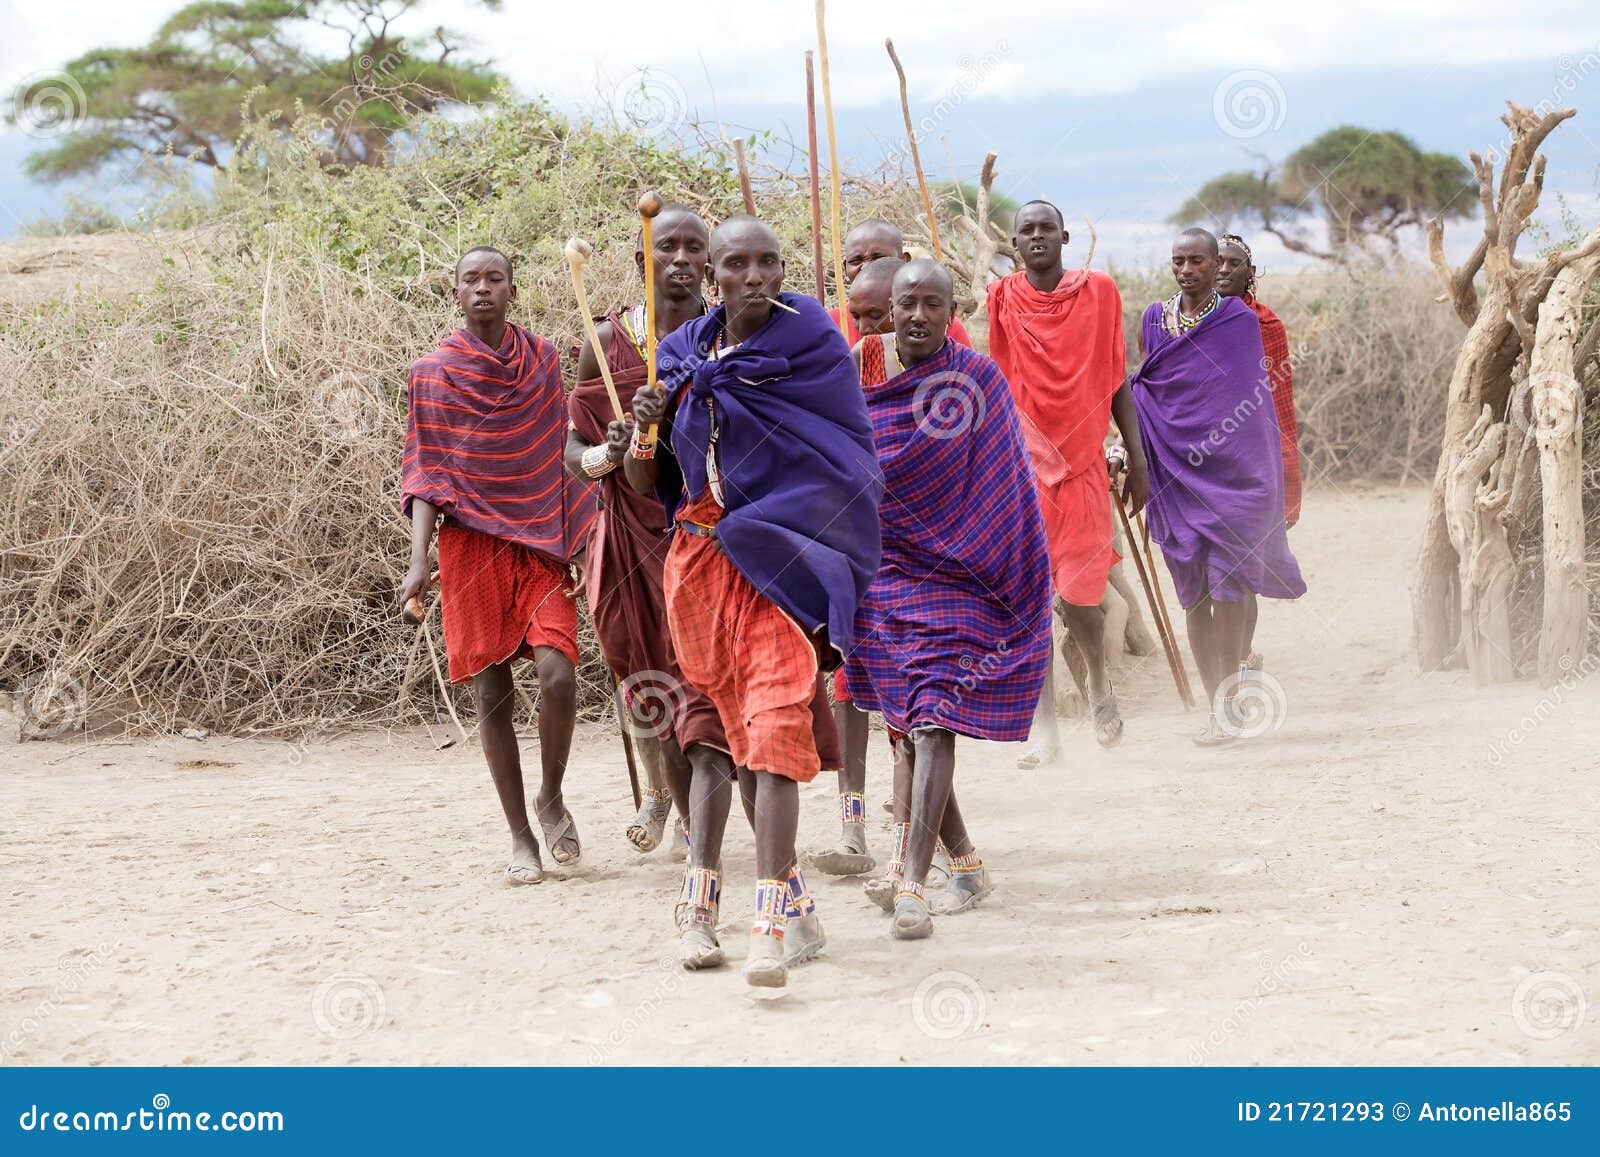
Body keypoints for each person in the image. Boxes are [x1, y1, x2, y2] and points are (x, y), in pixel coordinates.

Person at [625, 215, 883, 987]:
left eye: (769, 262)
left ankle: (765, 922)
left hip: (784, 564)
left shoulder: (811, 343)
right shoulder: (680, 353)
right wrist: (644, 426)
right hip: (700, 567)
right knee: (729, 735)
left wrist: (790, 528)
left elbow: (846, 462)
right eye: (738, 263)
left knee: (772, 729)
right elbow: (650, 483)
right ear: (713, 277)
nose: (756, 276)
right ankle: (791, 905)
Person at [846, 259, 1052, 938]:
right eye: (907, 303)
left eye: (933, 304)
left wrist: (1003, 573)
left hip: (962, 579)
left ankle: (911, 883)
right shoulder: (858, 370)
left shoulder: (977, 379)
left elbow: (1006, 488)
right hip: (883, 575)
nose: (918, 315)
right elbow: (834, 458)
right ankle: (963, 861)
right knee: (911, 722)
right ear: (890, 307)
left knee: (933, 718)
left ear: (952, 312)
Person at [399, 246, 594, 883]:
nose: (483, 288)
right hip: (470, 549)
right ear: (455, 292)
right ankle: (520, 837)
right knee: (491, 695)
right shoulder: (432, 374)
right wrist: (417, 561)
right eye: (470, 280)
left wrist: (582, 533)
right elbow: (426, 473)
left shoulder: (543, 361)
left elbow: (559, 452)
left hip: (537, 544)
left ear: (513, 288)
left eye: (495, 278)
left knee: (559, 673)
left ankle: (551, 796)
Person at [565, 205, 719, 855]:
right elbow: (573, 454)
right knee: (636, 655)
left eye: (693, 248)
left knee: (699, 666)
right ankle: (659, 790)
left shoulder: (727, 337)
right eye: (666, 247)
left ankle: (696, 806)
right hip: (629, 528)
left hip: (706, 526)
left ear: (710, 263)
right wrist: (612, 450)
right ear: (641, 261)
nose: (680, 259)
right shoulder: (604, 342)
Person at [1131, 228, 1306, 746]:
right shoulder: (1153, 320)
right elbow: (1148, 390)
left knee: (1229, 587)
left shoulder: (1238, 321)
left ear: (1215, 265)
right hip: (1174, 477)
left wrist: (1268, 479)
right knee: (1194, 598)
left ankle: (1228, 704)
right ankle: (1216, 704)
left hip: (1232, 478)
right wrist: (1129, 452)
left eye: (1198, 261)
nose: (1187, 270)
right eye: (1178, 261)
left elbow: (1254, 406)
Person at [987, 199, 1148, 760]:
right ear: (1013, 242)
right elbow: (1002, 383)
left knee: (1081, 598)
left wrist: (1136, 456)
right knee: (1030, 601)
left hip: (1081, 466)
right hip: (1024, 467)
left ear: (1064, 237)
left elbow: (1115, 376)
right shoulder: (1002, 297)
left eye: (1047, 228)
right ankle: (1044, 729)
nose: (1037, 236)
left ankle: (1099, 684)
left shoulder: (1098, 292)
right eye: (1026, 229)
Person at [1216, 232, 1302, 670]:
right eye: (1217, 261)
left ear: (1250, 273)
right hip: (1200, 464)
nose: (1223, 269)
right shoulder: (1182, 323)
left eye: (1234, 263)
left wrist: (1285, 475)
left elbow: (1279, 408)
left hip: (1253, 468)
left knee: (1241, 571)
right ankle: (1226, 660)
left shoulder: (1267, 327)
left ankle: (1240, 658)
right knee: (1208, 574)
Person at [827, 218, 974, 347]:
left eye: (878, 258)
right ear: (844, 268)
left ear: (904, 261)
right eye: (856, 260)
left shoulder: (941, 323)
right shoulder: (830, 323)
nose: (867, 267)